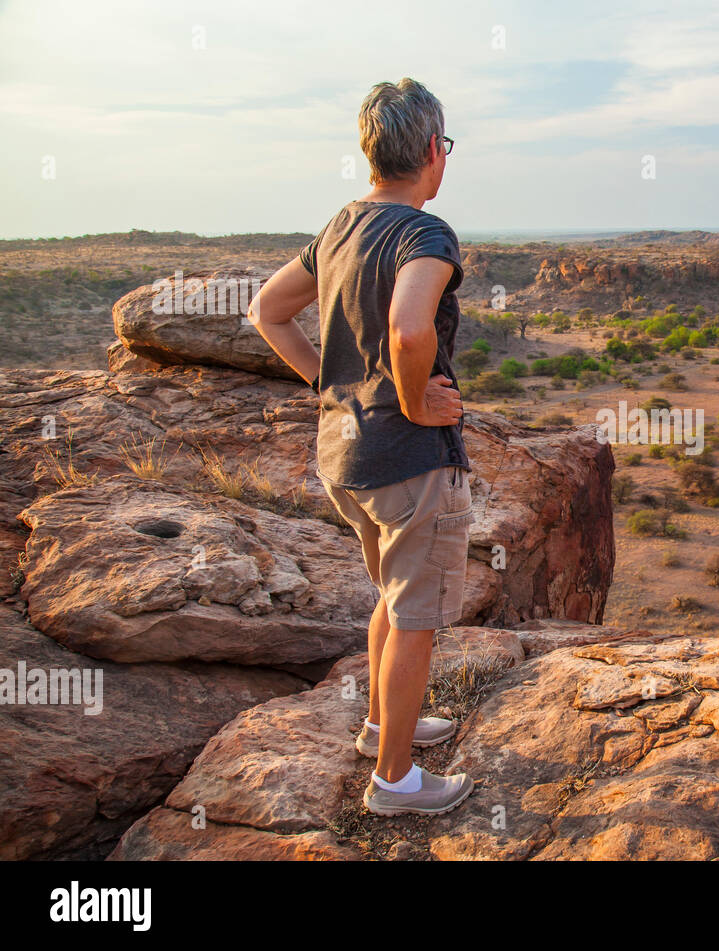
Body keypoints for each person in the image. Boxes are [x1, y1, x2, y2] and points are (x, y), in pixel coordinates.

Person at [248, 78, 474, 817]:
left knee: (392, 597)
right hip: (408, 460)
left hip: (346, 456)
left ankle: (383, 723)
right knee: (415, 617)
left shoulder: (342, 225)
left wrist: (329, 382)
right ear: (435, 153)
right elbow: (412, 329)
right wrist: (412, 399)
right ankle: (396, 780)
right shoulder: (423, 233)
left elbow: (268, 311)